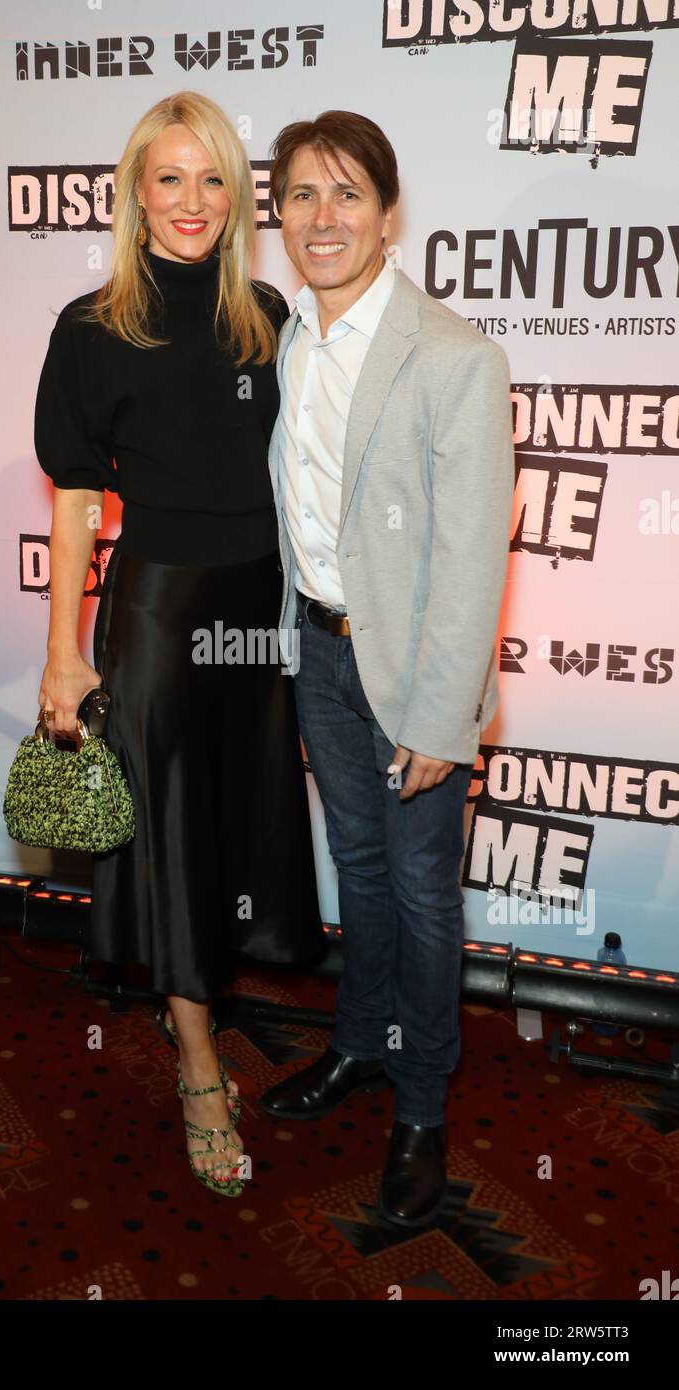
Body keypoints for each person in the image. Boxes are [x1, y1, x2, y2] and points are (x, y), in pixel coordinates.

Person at [33, 91, 324, 1198]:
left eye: (212, 178)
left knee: (232, 824)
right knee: (170, 831)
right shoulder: (90, 326)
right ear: (134, 193)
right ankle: (200, 1066)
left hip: (259, 607)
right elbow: (72, 503)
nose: (191, 200)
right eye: (169, 177)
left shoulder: (264, 314)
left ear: (235, 196)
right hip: (155, 609)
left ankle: (201, 1011)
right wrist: (64, 651)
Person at [259, 110, 514, 1227]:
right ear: (277, 215)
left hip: (409, 671)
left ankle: (420, 1106)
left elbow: (469, 556)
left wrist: (440, 709)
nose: (324, 219)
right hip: (317, 645)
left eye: (346, 195)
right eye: (302, 197)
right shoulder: (289, 341)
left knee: (418, 893)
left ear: (386, 212)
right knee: (354, 872)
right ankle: (360, 1044)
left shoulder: (453, 354)